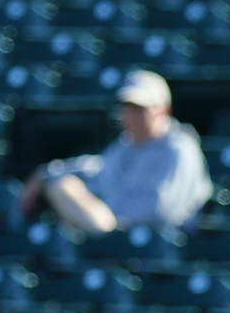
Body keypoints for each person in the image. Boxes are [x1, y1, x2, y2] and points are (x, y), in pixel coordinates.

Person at [17, 70, 212, 233]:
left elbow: (162, 211)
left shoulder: (179, 149)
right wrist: (44, 173)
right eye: (128, 108)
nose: (132, 115)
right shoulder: (125, 145)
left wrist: (112, 220)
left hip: (160, 241)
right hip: (115, 233)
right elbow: (95, 169)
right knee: (63, 185)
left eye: (141, 108)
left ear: (164, 110)